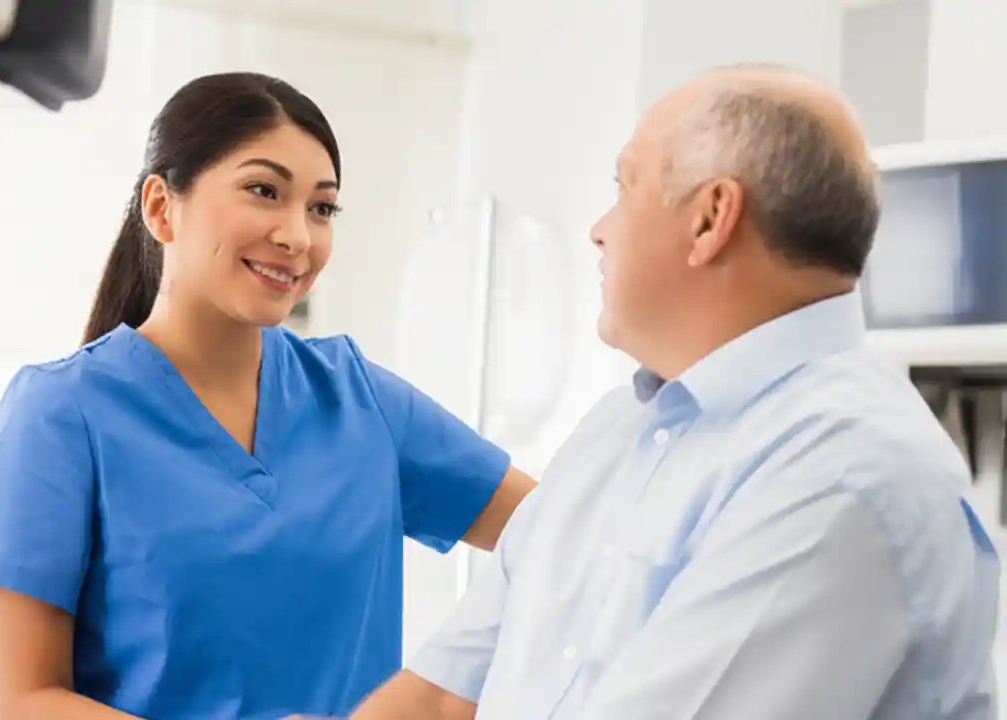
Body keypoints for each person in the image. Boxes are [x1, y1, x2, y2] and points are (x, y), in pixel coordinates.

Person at [346, 65, 1000, 719]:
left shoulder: (847, 469)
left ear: (711, 217)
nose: (598, 229)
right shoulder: (615, 432)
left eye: (624, 188)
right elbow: (439, 699)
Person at [0, 72, 536, 720]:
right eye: (264, 191)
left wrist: (446, 691)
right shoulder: (62, 413)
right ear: (160, 206)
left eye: (322, 208)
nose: (298, 237)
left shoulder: (359, 398)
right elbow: (28, 700)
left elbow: (566, 533)